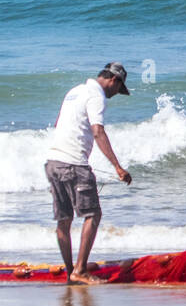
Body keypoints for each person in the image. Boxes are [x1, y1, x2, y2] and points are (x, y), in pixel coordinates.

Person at [45, 63, 132, 285]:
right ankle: (80, 270)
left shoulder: (74, 91)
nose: (114, 96)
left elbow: (59, 123)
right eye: (117, 90)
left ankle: (70, 272)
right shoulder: (97, 96)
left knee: (64, 220)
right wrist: (117, 167)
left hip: (53, 162)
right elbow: (97, 131)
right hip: (74, 164)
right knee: (93, 215)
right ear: (114, 80)